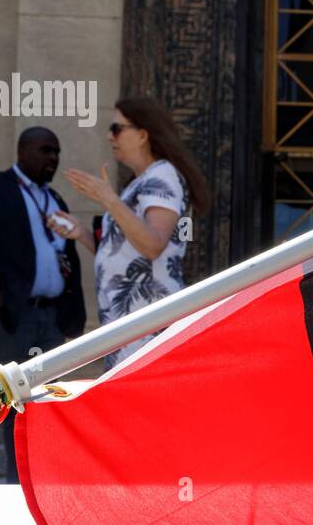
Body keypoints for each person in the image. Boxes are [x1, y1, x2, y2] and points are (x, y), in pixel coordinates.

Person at [55, 98, 209, 369]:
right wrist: (81, 235)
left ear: (142, 135)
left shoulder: (163, 176)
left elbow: (152, 245)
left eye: (117, 128)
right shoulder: (143, 180)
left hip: (147, 324)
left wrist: (109, 200)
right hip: (130, 325)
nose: (109, 136)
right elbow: (126, 253)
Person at [0, 127, 86, 482]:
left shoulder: (54, 198)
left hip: (51, 317)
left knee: (46, 404)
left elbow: (69, 259)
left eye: (56, 151)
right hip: (10, 315)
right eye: (44, 150)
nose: (52, 158)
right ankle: (6, 480)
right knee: (2, 401)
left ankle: (40, 480)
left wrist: (74, 317)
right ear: (22, 151)